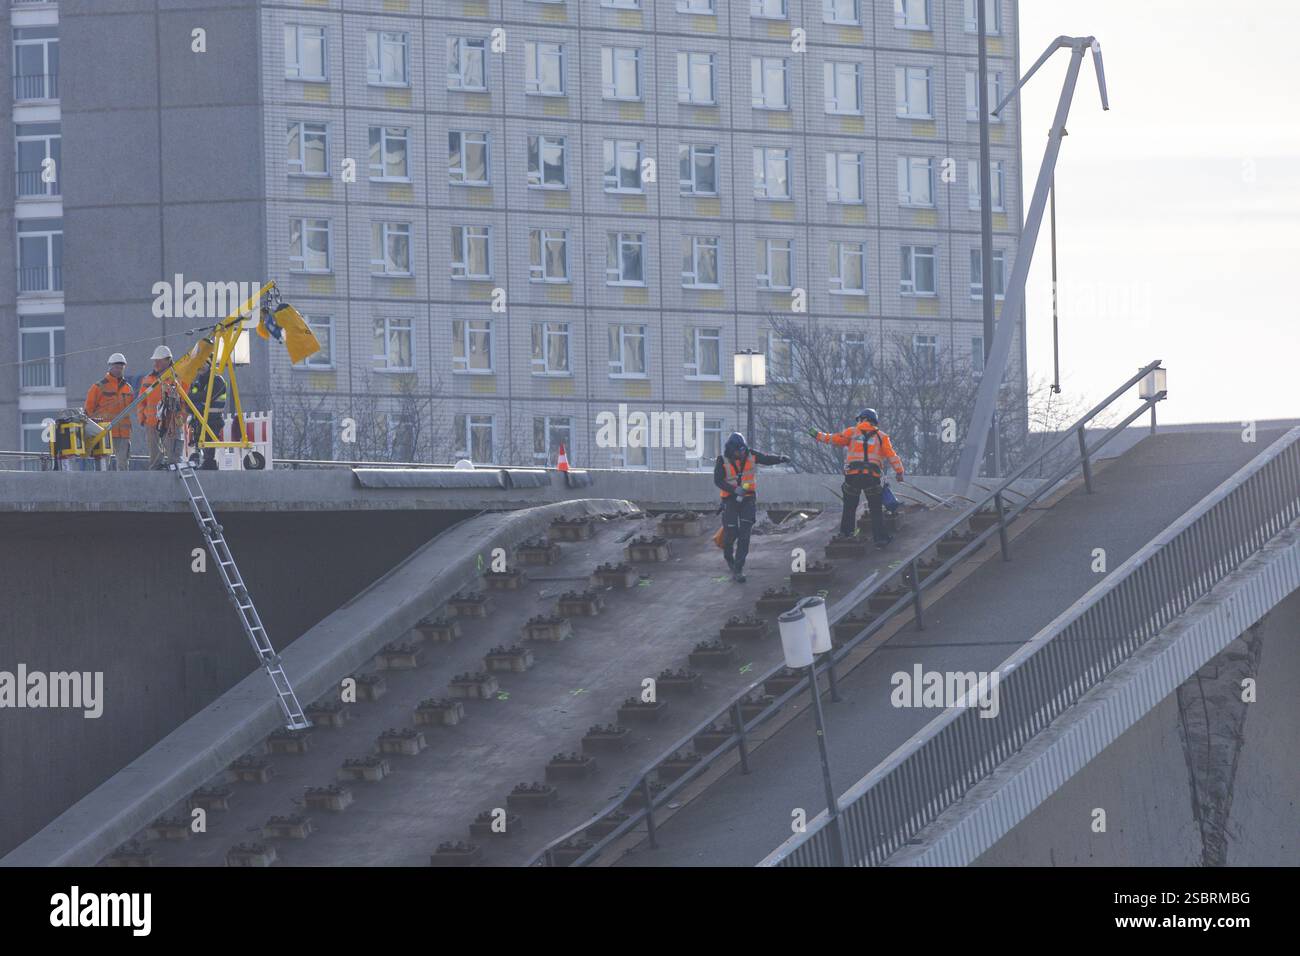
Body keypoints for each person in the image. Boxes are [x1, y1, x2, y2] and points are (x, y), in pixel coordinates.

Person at [809, 408, 905, 547]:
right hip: (872, 477)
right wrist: (899, 472)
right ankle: (880, 539)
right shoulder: (881, 436)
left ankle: (846, 535)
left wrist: (816, 434)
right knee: (876, 509)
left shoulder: (851, 432)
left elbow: (833, 439)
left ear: (863, 419)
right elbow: (892, 456)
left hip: (853, 476)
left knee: (849, 507)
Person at [714, 432, 790, 583]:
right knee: (731, 531)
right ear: (731, 449)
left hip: (748, 499)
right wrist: (734, 490)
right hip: (730, 500)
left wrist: (780, 459)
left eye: (743, 450)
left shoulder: (751, 454)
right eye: (738, 451)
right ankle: (728, 555)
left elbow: (766, 459)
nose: (741, 453)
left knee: (745, 535)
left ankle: (738, 569)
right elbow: (718, 481)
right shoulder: (722, 460)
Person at [138, 345, 187, 470]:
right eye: (155, 361)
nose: (156, 363)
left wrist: (181, 419)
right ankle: (156, 475)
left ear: (168, 360)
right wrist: (142, 418)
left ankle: (174, 473)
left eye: (159, 360)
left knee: (174, 458)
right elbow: (140, 401)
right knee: (154, 457)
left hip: (171, 423)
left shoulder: (178, 378)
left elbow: (185, 401)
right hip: (152, 423)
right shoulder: (148, 379)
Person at [84, 353, 134, 471]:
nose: (119, 370)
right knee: (103, 465)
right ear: (110, 367)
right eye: (117, 367)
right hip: (105, 432)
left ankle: (122, 487)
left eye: (121, 367)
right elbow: (88, 411)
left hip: (123, 434)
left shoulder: (128, 388)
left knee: (123, 465)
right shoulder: (98, 387)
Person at [187, 365, 227, 471]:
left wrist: (191, 398)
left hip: (213, 418)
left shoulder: (217, 380)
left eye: (204, 363)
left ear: (210, 365)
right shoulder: (198, 381)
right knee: (201, 439)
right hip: (200, 416)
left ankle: (210, 463)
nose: (201, 366)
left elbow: (207, 396)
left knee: (209, 440)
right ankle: (206, 461)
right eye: (200, 363)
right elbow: (192, 395)